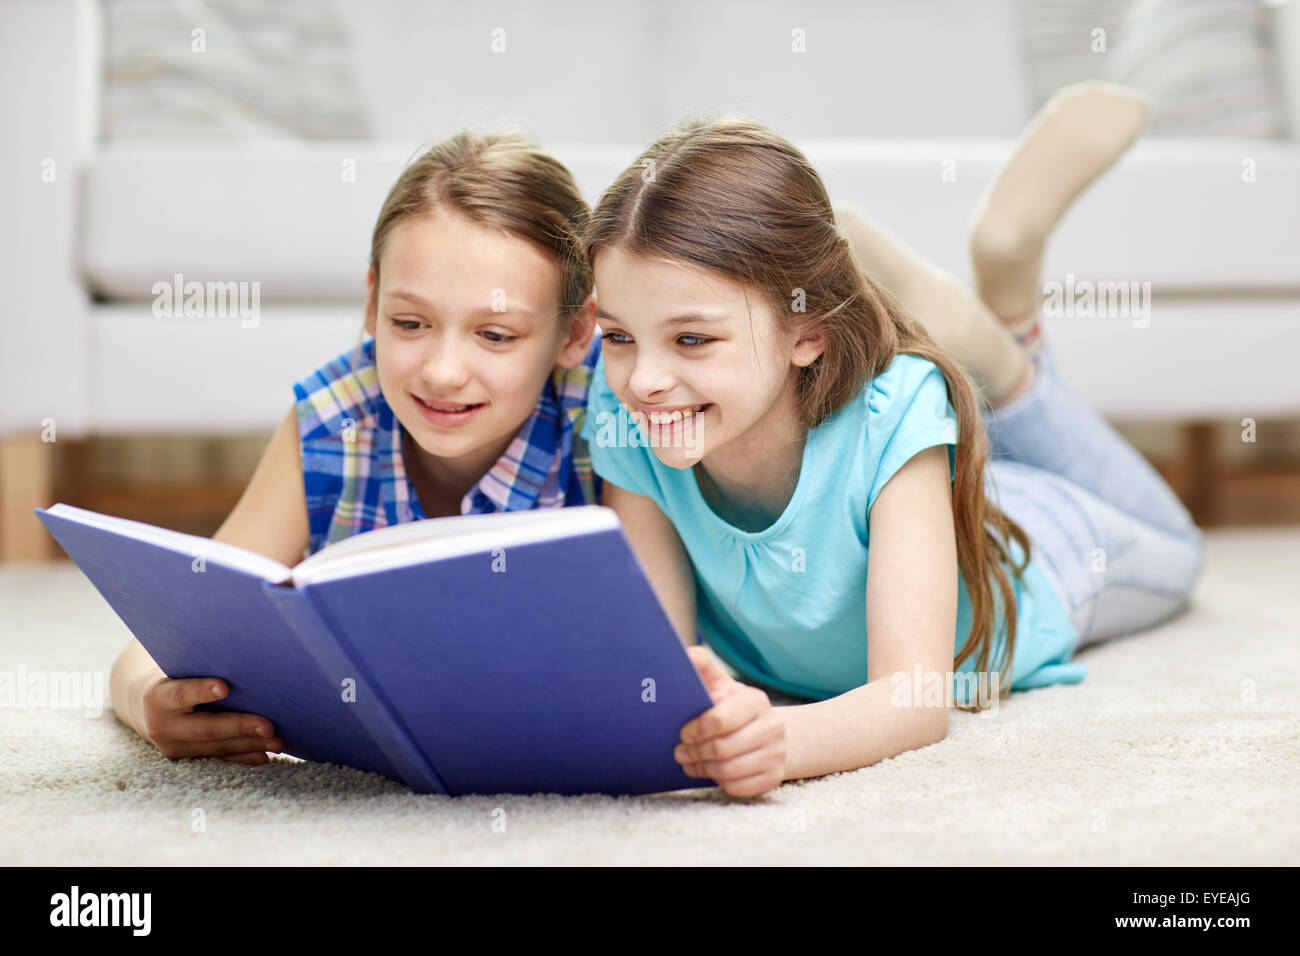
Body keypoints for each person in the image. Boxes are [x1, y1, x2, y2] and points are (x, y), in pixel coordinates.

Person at [579, 83, 1204, 797]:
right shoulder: (622, 402)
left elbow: (913, 698)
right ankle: (996, 340)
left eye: (693, 338)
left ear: (806, 332)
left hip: (1042, 549)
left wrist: (774, 741)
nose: (645, 379)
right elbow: (664, 663)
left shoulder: (896, 409)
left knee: (1179, 549)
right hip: (932, 490)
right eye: (619, 335)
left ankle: (1008, 333)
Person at [110, 130, 602, 765]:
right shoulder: (330, 421)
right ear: (372, 302)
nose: (443, 371)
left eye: (496, 334)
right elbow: (167, 637)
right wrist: (146, 696)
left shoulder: (601, 421)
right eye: (410, 323)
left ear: (576, 333)